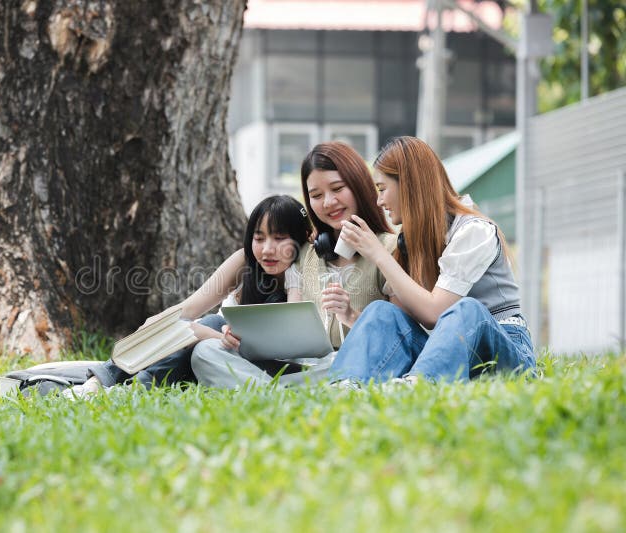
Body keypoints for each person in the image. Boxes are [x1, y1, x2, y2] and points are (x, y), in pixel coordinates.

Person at [328, 136, 535, 385]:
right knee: (380, 311)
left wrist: (378, 254)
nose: (379, 201)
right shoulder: (411, 242)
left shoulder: (474, 231)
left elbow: (435, 313)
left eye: (382, 189)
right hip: (453, 356)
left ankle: (416, 386)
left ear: (409, 185)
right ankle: (343, 387)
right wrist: (351, 316)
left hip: (506, 352)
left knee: (468, 309)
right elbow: (397, 325)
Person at [191, 142, 396, 388]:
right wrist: (236, 338)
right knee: (205, 352)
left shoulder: (389, 248)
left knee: (344, 368)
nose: (328, 202)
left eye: (337, 188)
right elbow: (289, 334)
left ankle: (275, 392)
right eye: (316, 196)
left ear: (359, 185)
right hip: (302, 365)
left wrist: (351, 315)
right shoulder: (304, 253)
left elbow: (396, 336)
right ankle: (281, 393)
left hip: (350, 361)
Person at [65, 195, 312, 398]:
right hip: (216, 352)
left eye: (279, 238)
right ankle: (99, 383)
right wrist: (158, 326)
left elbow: (288, 345)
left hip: (269, 366)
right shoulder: (246, 261)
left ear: (301, 240)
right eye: (259, 238)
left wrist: (294, 284)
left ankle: (130, 391)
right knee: (180, 325)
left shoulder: (313, 271)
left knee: (207, 324)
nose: (267, 249)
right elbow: (189, 308)